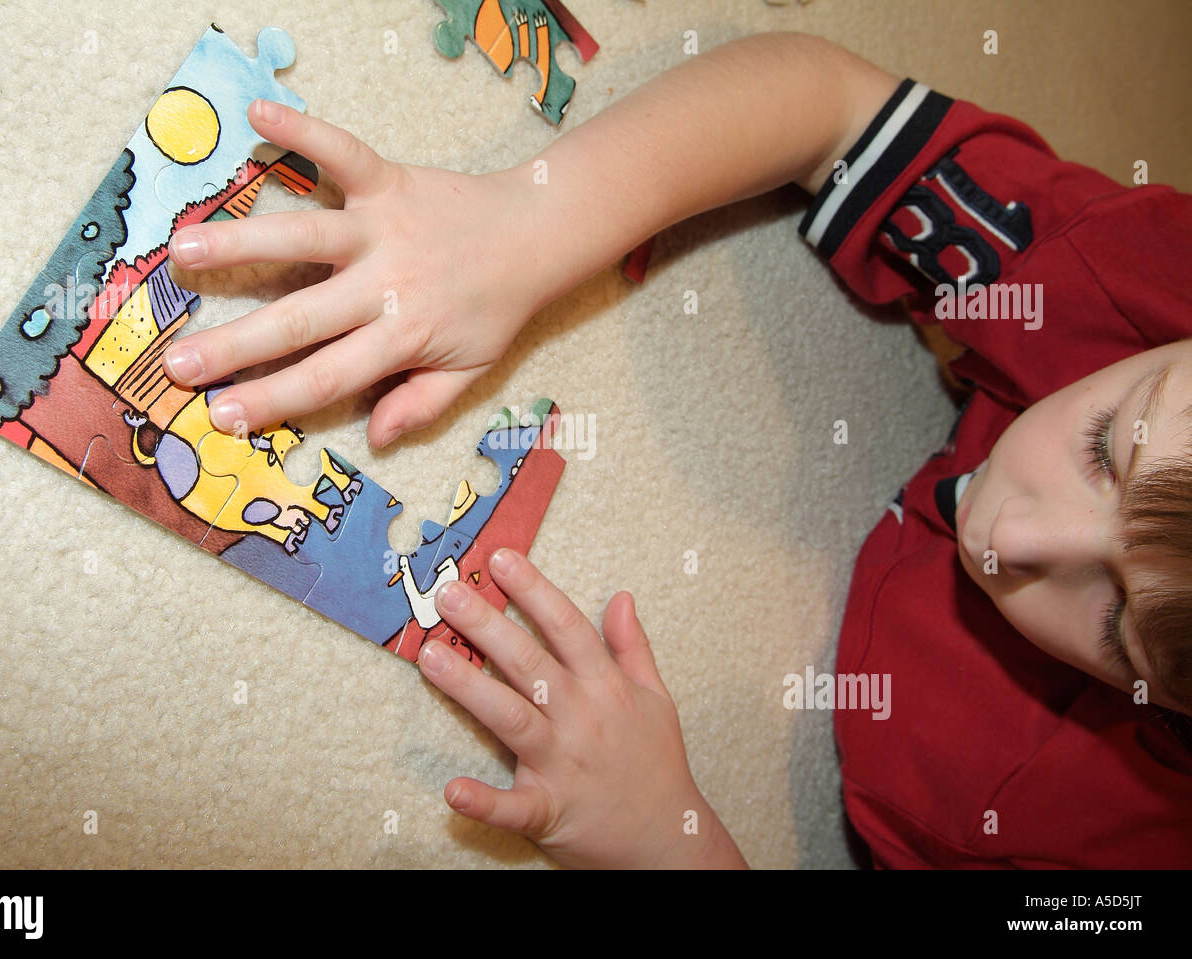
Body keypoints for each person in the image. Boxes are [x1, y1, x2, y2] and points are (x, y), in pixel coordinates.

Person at [159, 32, 1192, 868]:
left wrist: (667, 836)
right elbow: (829, 105)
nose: (1014, 534)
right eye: (1108, 447)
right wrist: (528, 224)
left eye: (1115, 625)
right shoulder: (1136, 280)